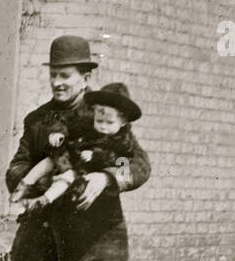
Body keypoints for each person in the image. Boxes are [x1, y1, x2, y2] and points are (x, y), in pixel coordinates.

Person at [4, 36, 150, 261]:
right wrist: (43, 181)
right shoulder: (38, 121)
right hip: (40, 241)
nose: (58, 82)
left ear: (85, 78)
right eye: (54, 74)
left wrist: (107, 178)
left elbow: (138, 164)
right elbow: (16, 169)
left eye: (65, 75)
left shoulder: (105, 115)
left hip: (94, 242)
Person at [10, 82, 143, 217]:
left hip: (89, 174)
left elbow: (124, 164)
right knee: (51, 159)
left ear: (123, 122)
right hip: (75, 161)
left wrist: (103, 169)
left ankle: (43, 200)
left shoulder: (123, 141)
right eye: (99, 121)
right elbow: (71, 126)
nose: (103, 127)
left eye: (109, 123)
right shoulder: (87, 124)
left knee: (68, 178)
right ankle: (25, 183)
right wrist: (60, 134)